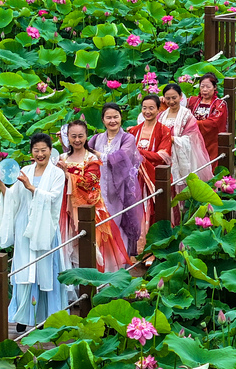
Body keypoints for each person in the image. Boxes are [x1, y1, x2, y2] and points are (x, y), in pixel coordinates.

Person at [0, 133, 72, 332]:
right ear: (31, 152)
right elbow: (13, 198)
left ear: (50, 151)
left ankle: (48, 316)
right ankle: (23, 316)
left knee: (45, 269)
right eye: (36, 150)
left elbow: (54, 198)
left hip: (45, 228)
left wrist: (31, 187)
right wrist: (0, 184)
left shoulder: (57, 174)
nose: (40, 154)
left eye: (43, 150)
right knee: (25, 269)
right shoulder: (25, 171)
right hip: (24, 227)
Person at [58, 119, 131, 272]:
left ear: (86, 136)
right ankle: (72, 282)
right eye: (73, 136)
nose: (77, 140)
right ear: (68, 137)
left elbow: (89, 182)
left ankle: (95, 279)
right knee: (67, 243)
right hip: (65, 209)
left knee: (91, 243)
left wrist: (67, 175)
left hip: (89, 207)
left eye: (80, 136)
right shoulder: (62, 158)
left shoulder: (91, 159)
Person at [87, 103, 143, 258]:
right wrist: (66, 142)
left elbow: (122, 157)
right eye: (108, 118)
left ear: (121, 118)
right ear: (103, 120)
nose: (112, 121)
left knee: (119, 223)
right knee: (100, 225)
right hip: (98, 189)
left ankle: (120, 260)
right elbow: (83, 153)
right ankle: (102, 263)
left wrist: (99, 155)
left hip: (120, 189)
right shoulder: (96, 138)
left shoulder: (128, 138)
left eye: (115, 117)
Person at [128, 95, 173, 249]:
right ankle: (134, 248)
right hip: (135, 179)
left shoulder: (164, 131)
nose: (147, 111)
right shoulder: (133, 131)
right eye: (144, 108)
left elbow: (163, 156)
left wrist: (138, 153)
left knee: (151, 212)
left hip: (153, 178)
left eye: (151, 108)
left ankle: (151, 247)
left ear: (158, 109)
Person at [159, 83, 212, 195]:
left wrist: (173, 139)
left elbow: (192, 139)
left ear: (180, 96)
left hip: (183, 156)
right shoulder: (161, 116)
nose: (171, 101)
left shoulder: (187, 116)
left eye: (174, 98)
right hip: (165, 155)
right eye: (168, 98)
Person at [186, 73, 227, 165]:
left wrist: (193, 124)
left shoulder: (219, 104)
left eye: (208, 87)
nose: (204, 90)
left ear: (215, 87)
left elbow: (214, 123)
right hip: (193, 138)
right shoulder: (192, 101)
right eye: (202, 86)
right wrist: (163, 99)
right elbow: (177, 104)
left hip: (210, 141)